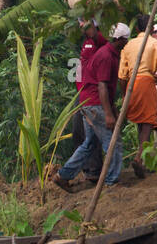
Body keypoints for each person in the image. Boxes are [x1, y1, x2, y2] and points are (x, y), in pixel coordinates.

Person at [54, 22, 127, 191]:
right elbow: (102, 86)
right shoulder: (105, 55)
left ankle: (63, 175)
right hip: (95, 103)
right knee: (113, 143)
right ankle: (111, 181)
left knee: (90, 143)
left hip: (88, 102)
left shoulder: (102, 50)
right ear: (120, 40)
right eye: (126, 41)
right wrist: (108, 113)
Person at [117, 15, 157, 178]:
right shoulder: (155, 43)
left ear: (136, 29)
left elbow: (122, 75)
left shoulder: (129, 45)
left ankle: (143, 158)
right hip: (146, 81)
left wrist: (125, 93)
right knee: (147, 122)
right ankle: (139, 157)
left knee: (141, 122)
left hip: (132, 84)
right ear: (152, 28)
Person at [69, 17, 107, 181]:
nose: (80, 25)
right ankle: (85, 169)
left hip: (92, 95)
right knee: (79, 131)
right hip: (82, 94)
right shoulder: (85, 43)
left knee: (92, 133)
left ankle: (94, 170)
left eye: (83, 21)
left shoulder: (99, 40)